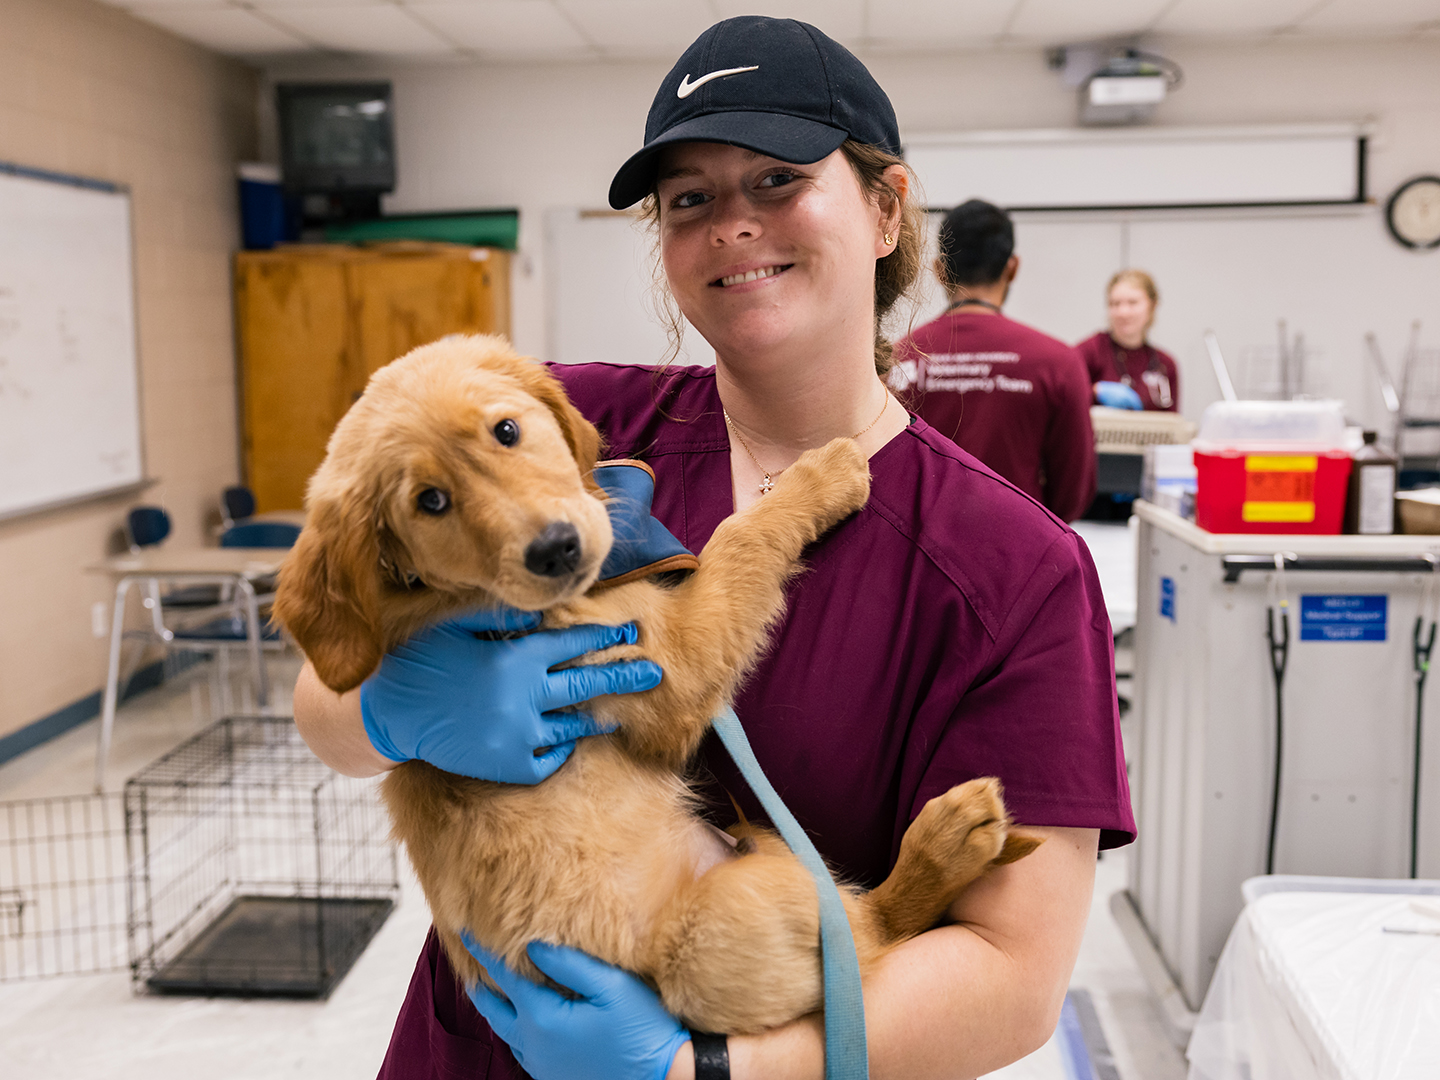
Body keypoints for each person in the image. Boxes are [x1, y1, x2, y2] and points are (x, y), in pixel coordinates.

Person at [291, 16, 1133, 1080]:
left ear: (884, 209)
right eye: (691, 199)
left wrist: (704, 1071)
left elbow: (1013, 981)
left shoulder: (1017, 572)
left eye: (778, 180)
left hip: (749, 1012)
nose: (734, 223)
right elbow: (325, 705)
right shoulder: (562, 428)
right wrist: (389, 705)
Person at [889, 200, 1097, 523]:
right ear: (1012, 267)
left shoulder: (898, 358)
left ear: (940, 270)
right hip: (1022, 553)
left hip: (920, 559)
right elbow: (1073, 492)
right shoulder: (1057, 363)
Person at [1077, 269, 1179, 412]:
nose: (1123, 312)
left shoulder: (1165, 365)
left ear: (1152, 306)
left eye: (1132, 303)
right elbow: (1062, 395)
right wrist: (1094, 392)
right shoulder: (1090, 351)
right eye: (1115, 304)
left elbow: (1172, 426)